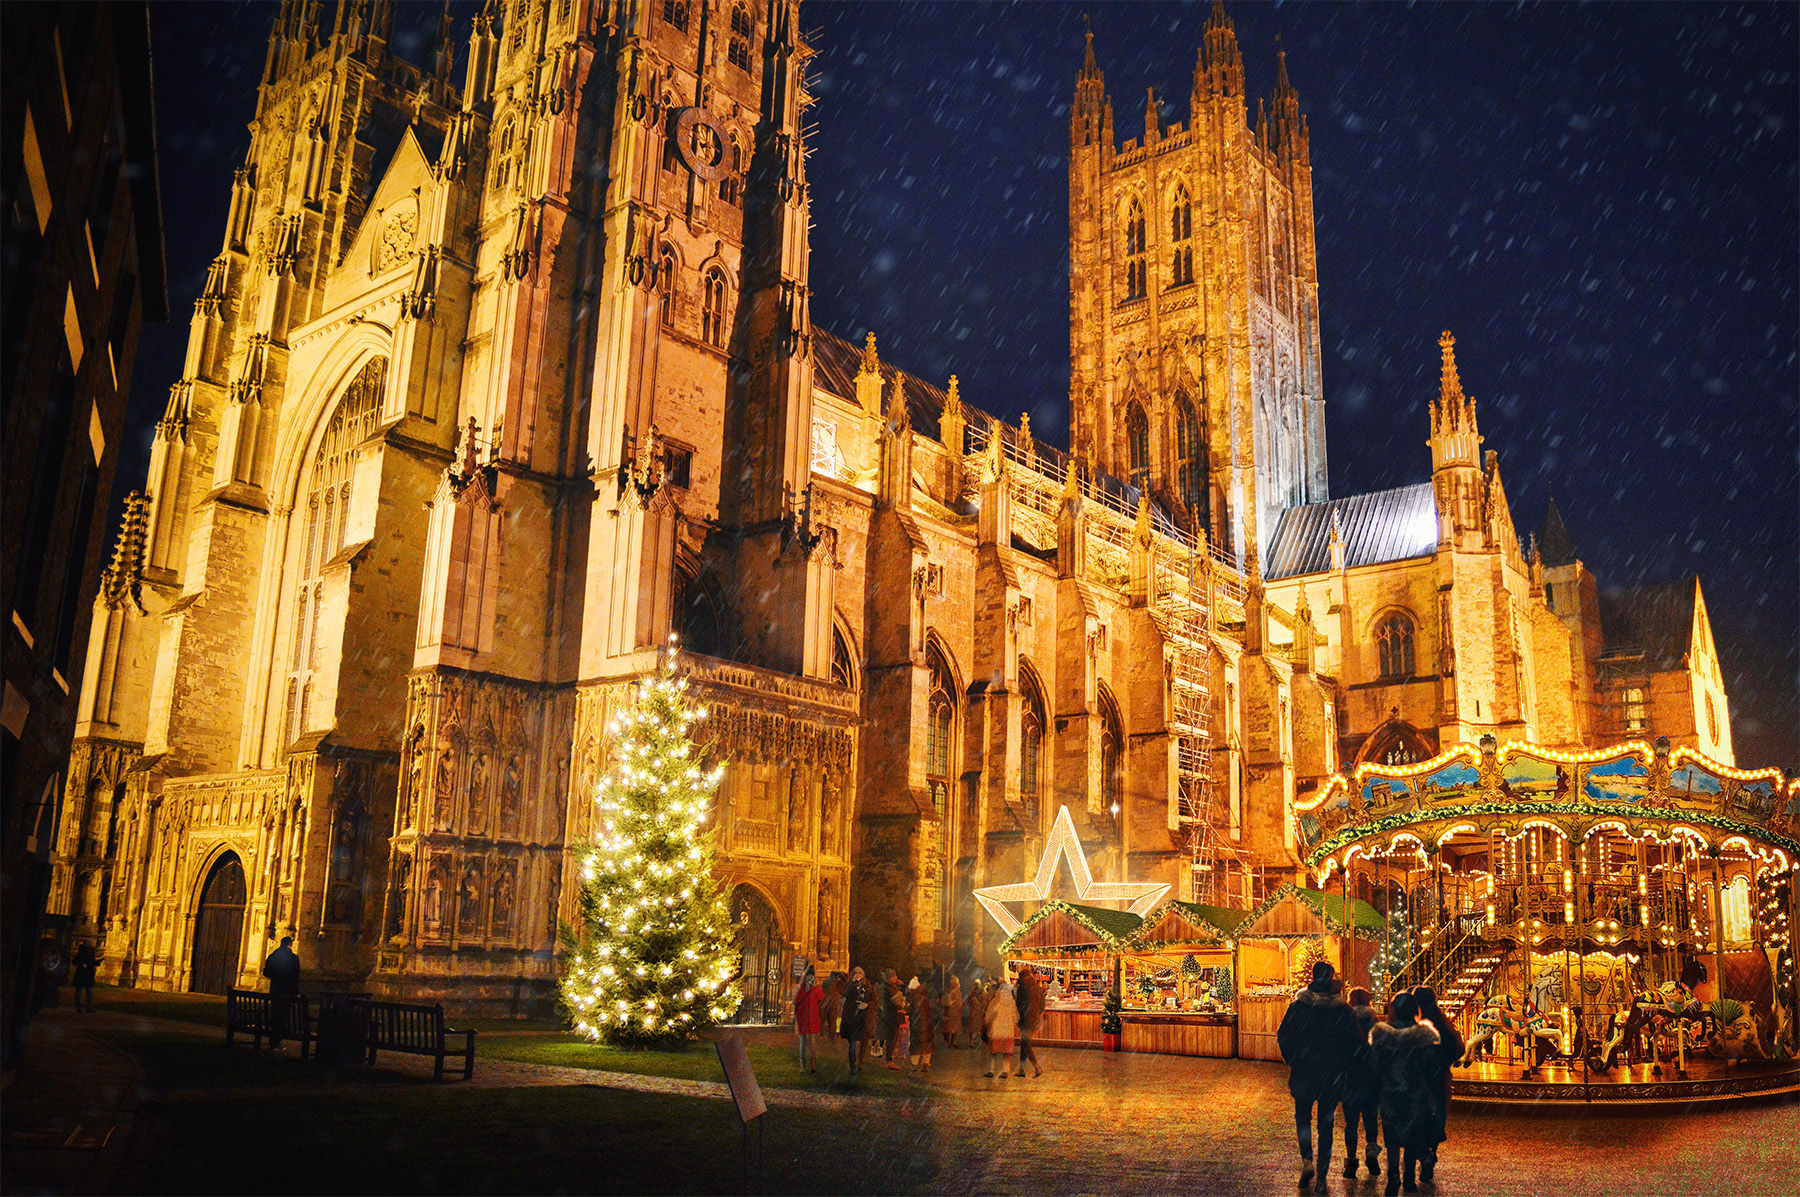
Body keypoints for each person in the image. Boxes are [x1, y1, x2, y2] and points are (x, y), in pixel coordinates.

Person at [1276, 960, 1362, 1194]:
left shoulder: (1298, 1007)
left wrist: (1294, 1059)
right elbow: (1356, 1043)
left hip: (1304, 1072)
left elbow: (1283, 1035)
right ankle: (1322, 1175)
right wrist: (1344, 1065)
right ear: (1331, 978)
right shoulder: (1342, 1010)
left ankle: (1307, 1161)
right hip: (1331, 1075)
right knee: (1326, 1123)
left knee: (1303, 1118)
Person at [1368, 991, 1441, 1196]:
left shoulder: (1383, 1037)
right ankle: (1409, 1178)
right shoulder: (1423, 1037)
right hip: (1415, 1093)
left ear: (1394, 1010)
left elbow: (1374, 1065)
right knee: (1411, 1136)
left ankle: (1393, 1178)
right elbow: (1431, 1068)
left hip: (1390, 1092)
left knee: (1391, 1137)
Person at [1412, 986, 1464, 1182]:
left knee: (1417, 1116)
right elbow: (1457, 1049)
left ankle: (1422, 1153)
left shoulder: (1415, 1024)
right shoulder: (1443, 1025)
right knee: (1437, 1115)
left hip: (1418, 1079)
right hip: (1439, 1078)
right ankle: (1431, 1151)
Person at [1340, 987, 1381, 1180]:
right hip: (1371, 1075)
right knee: (1371, 1118)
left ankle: (1350, 1162)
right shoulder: (1374, 1021)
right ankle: (1371, 1152)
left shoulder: (1346, 1020)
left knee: (1351, 1122)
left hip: (1352, 1075)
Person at [261, 935, 302, 1049]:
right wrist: (295, 991)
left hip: (275, 990)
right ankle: (277, 1041)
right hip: (287, 991)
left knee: (275, 1014)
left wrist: (276, 975)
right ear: (290, 945)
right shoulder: (294, 958)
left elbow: (266, 973)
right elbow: (296, 976)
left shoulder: (273, 956)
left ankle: (273, 1040)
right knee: (283, 1015)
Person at [984, 976, 1020, 1078]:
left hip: (996, 1029)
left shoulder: (995, 1001)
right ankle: (1005, 1071)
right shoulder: (1012, 1002)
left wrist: (987, 1025)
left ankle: (991, 1070)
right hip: (1008, 1030)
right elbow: (1016, 1017)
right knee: (1006, 1052)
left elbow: (989, 1014)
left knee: (993, 1051)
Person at [839, 966, 871, 1077]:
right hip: (852, 1018)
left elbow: (873, 1000)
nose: (858, 975)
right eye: (856, 973)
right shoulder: (850, 985)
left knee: (863, 1040)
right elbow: (843, 993)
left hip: (863, 1018)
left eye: (860, 973)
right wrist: (852, 982)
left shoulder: (867, 986)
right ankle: (852, 1066)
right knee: (852, 1043)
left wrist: (867, 1005)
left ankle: (860, 1061)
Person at [1015, 965, 1045, 1078]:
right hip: (1033, 1020)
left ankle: (1037, 1067)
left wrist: (1020, 1016)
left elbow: (1019, 1005)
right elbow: (1042, 1005)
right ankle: (1021, 1069)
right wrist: (1035, 1014)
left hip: (1024, 1020)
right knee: (1024, 1044)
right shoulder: (1037, 988)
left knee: (1026, 1044)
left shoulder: (1022, 988)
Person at [793, 966, 824, 1074]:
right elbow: (796, 1000)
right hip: (803, 1019)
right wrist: (804, 990)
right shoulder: (801, 988)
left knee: (813, 1042)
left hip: (814, 1018)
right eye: (808, 978)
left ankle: (813, 1064)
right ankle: (802, 1065)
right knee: (802, 1042)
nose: (810, 980)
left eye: (812, 978)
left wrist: (815, 987)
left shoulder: (816, 988)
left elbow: (821, 997)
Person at [907, 976, 937, 1075]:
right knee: (927, 1044)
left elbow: (915, 1010)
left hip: (918, 1023)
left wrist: (906, 1008)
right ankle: (925, 1064)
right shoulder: (924, 995)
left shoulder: (915, 996)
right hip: (927, 1023)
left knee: (916, 1044)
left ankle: (914, 1065)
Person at [71, 941, 98, 1013]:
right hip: (82, 974)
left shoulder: (90, 954)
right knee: (81, 991)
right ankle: (79, 1008)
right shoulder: (82, 954)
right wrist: (82, 963)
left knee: (88, 991)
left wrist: (96, 963)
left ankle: (88, 1007)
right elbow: (75, 961)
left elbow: (92, 962)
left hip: (88, 974)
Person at [968, 978, 992, 1054]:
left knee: (972, 1028)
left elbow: (969, 1002)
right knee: (981, 1027)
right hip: (980, 1013)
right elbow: (985, 1002)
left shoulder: (972, 994)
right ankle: (984, 1041)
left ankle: (971, 1041)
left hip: (974, 1013)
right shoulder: (983, 993)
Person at [942, 974, 965, 1048]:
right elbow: (959, 1002)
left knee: (948, 1027)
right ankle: (954, 1041)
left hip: (948, 1011)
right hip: (956, 1012)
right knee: (955, 1028)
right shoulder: (957, 991)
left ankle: (948, 1042)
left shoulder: (947, 989)